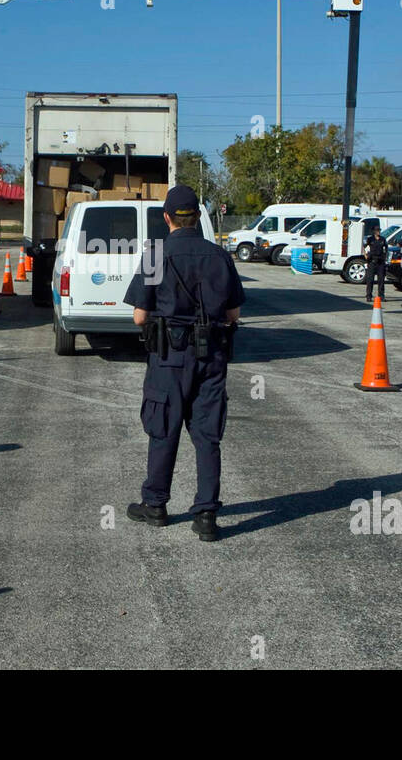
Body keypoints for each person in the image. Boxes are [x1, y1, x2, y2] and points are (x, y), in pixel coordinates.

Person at [123, 185, 244, 542]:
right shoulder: (219, 256)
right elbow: (234, 312)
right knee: (207, 435)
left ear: (166, 218)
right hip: (212, 356)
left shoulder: (155, 256)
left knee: (163, 428)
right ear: (197, 217)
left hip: (169, 357)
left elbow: (139, 317)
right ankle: (206, 514)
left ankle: (155, 505)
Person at [362, 224, 389, 301]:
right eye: (377, 230)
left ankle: (381, 296)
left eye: (379, 230)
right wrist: (365, 255)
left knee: (381, 280)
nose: (378, 232)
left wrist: (385, 258)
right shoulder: (370, 239)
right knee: (370, 280)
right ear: (374, 231)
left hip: (380, 262)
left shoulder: (382, 239)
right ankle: (368, 296)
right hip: (372, 261)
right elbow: (363, 247)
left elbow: (386, 249)